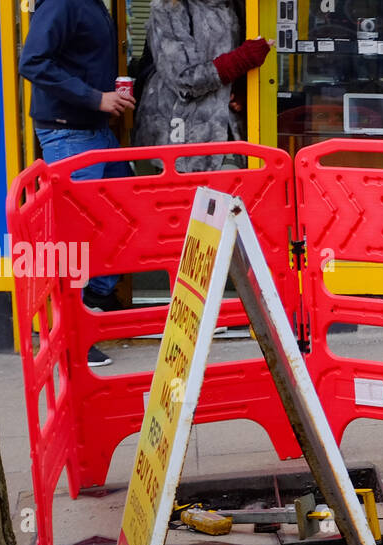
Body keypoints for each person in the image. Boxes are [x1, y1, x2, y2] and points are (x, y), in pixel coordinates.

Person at [20, 0, 136, 367]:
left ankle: (91, 302)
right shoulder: (64, 1)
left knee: (125, 213)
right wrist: (96, 98)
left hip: (91, 131)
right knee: (73, 236)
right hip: (69, 133)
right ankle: (70, 337)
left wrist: (106, 97)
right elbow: (32, 62)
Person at [134, 0, 271, 173]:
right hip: (179, 141)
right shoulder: (169, 7)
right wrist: (241, 60)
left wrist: (243, 88)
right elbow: (184, 79)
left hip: (229, 130)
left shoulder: (241, 5)